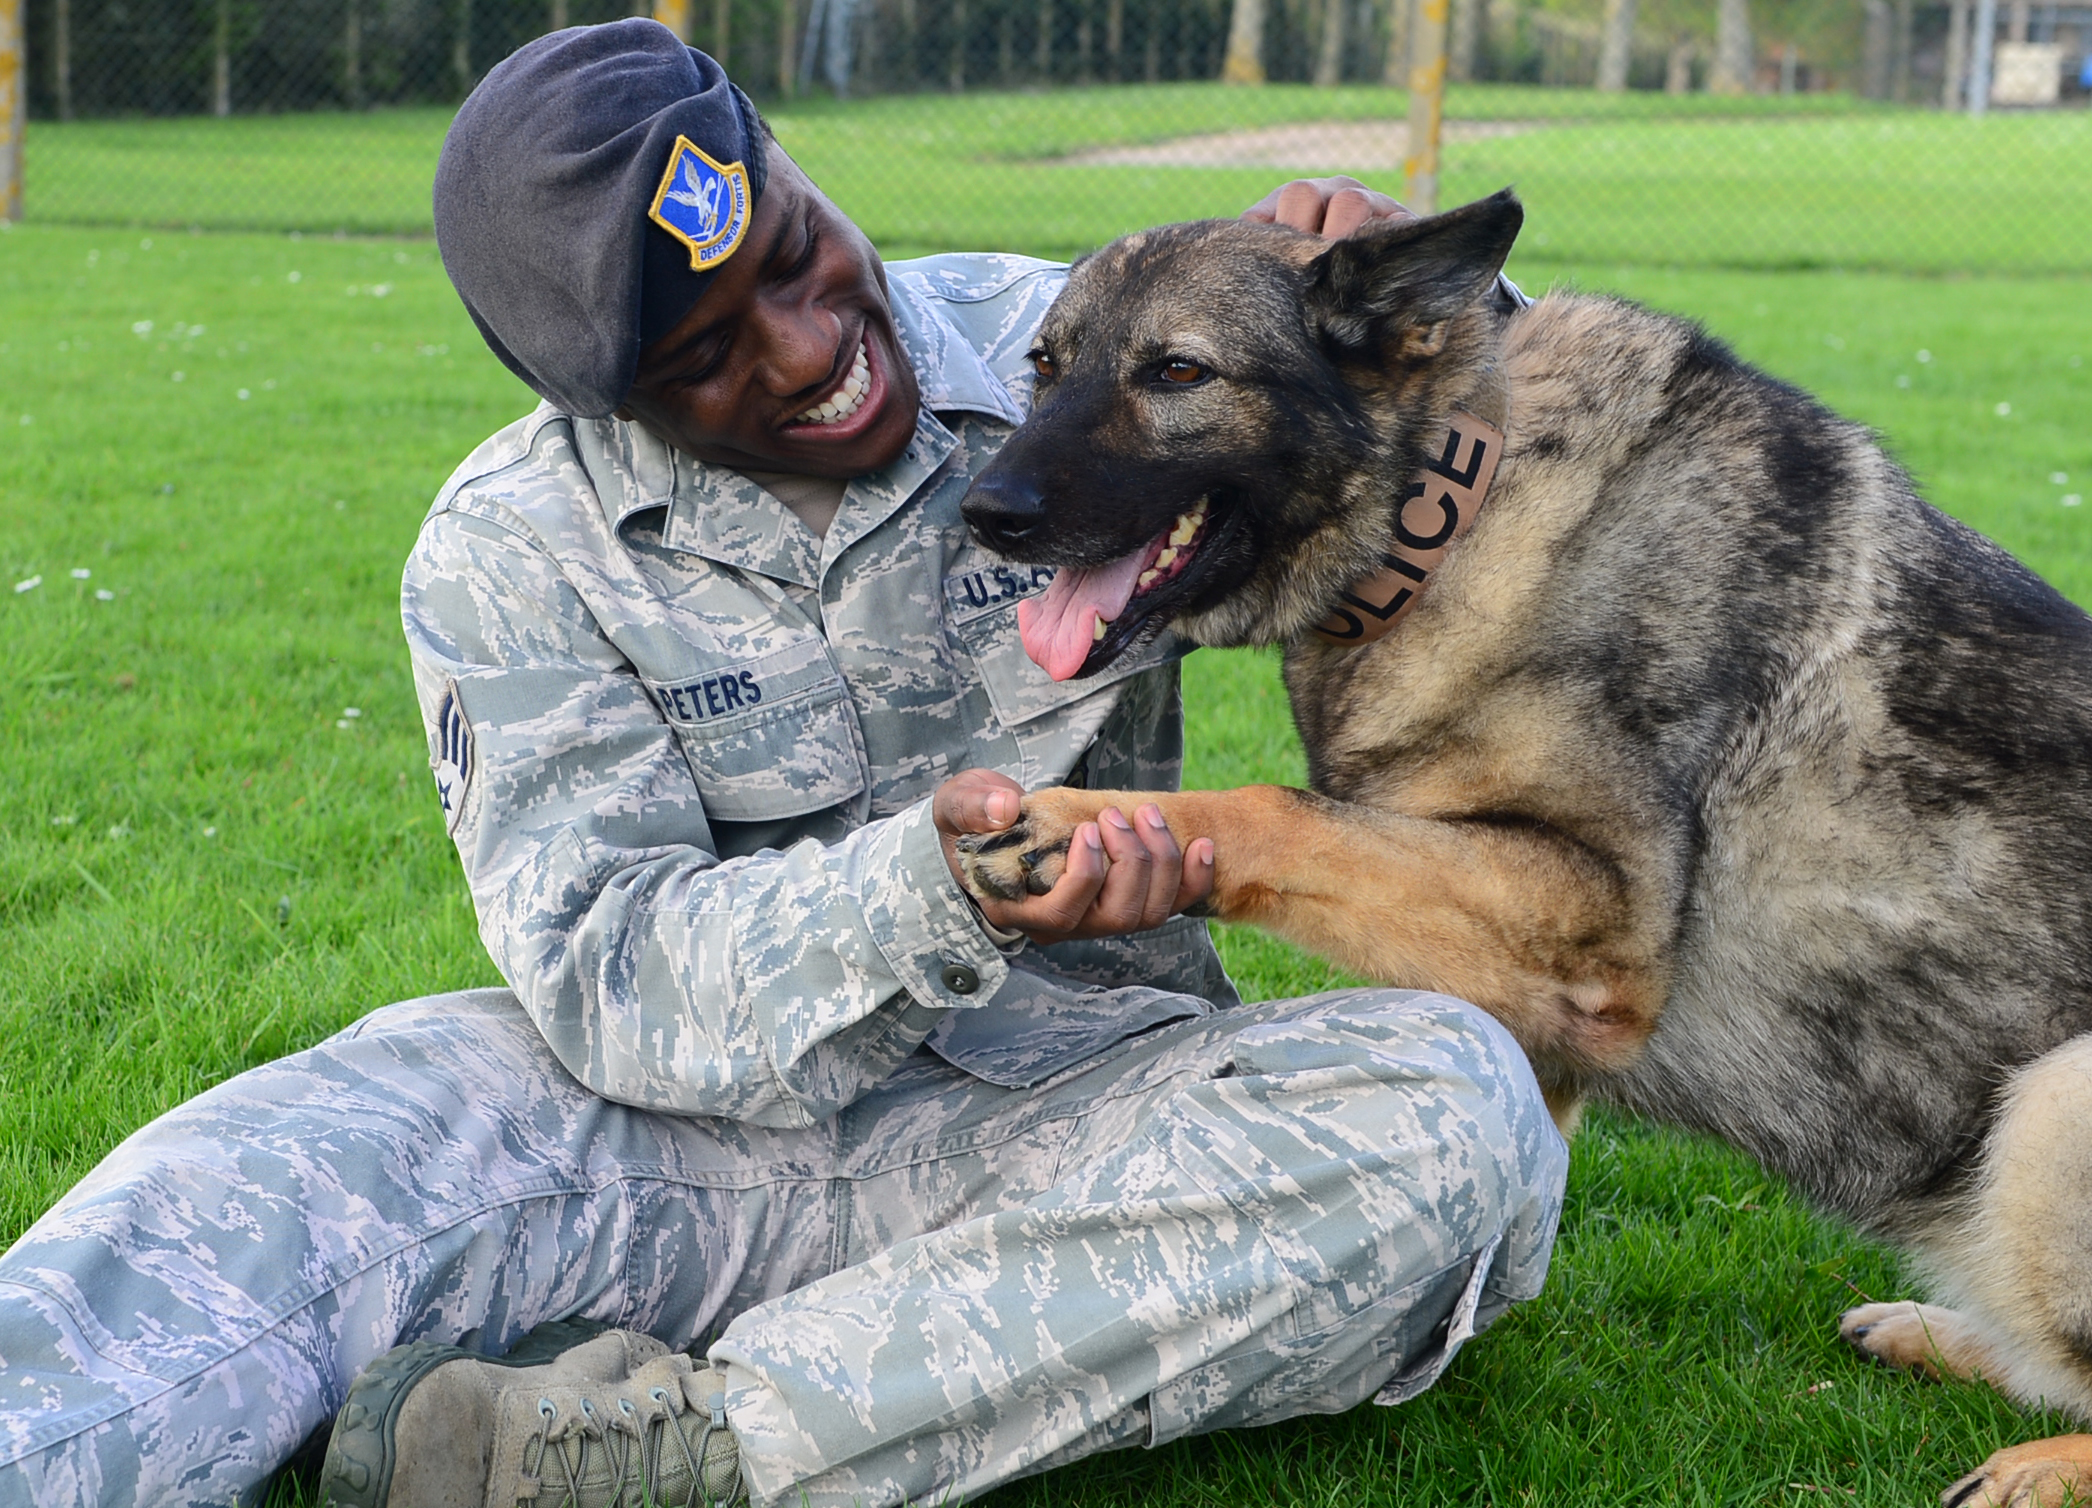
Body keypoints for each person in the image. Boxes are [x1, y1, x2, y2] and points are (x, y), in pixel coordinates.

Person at [0, 21, 1566, 1508]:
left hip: (1081, 1114)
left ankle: (668, 1446)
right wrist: (936, 890)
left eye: (797, 252)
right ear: (595, 401)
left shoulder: (1081, 352)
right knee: (239, 1199)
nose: (815, 347)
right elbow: (613, 972)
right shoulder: (507, 552)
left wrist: (1431, 315)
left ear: (794, 167)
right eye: (706, 351)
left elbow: (1524, 453)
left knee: (1451, 1115)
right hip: (651, 1139)